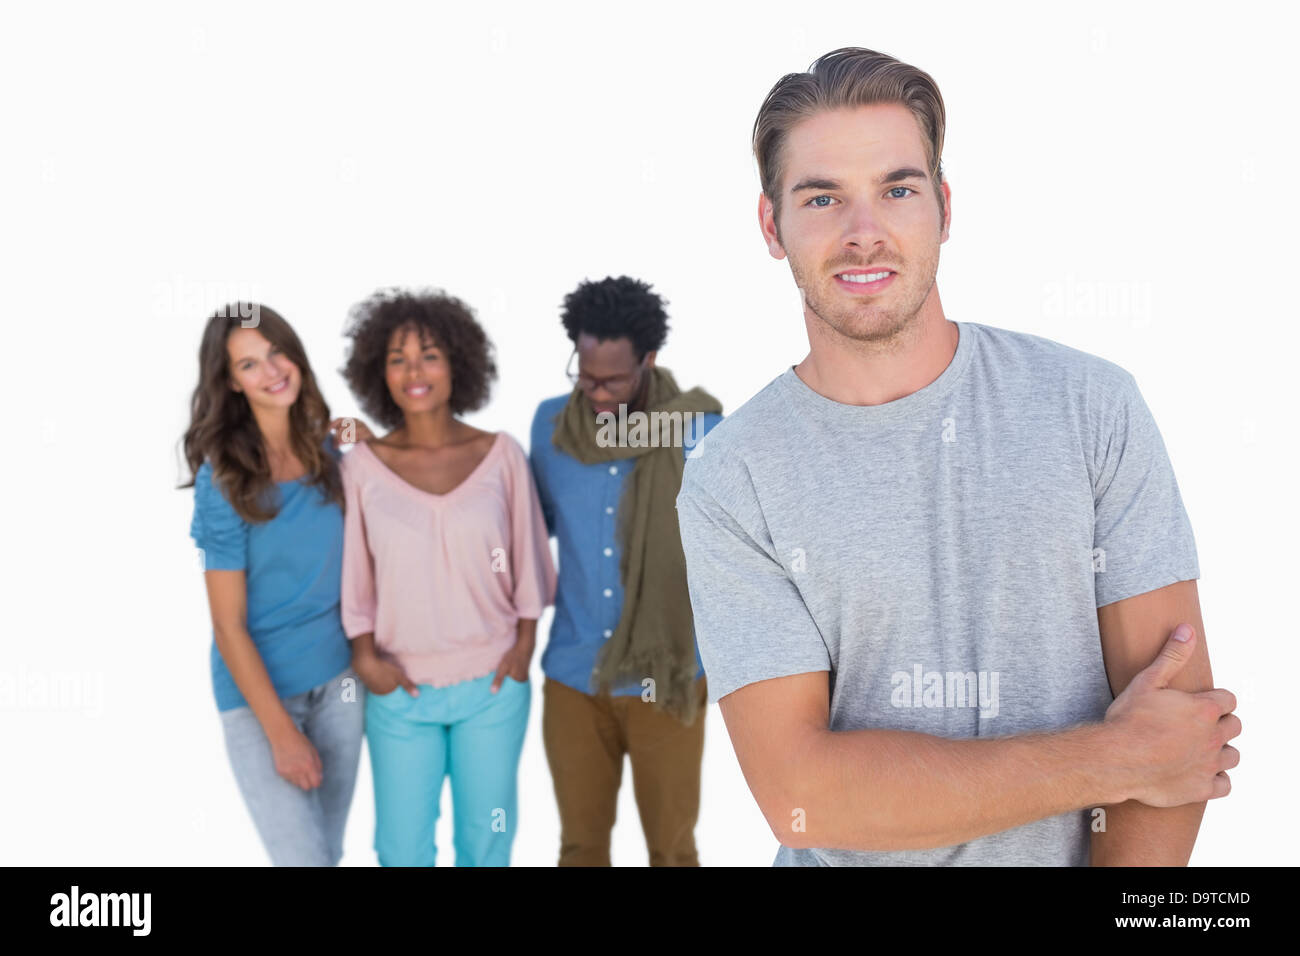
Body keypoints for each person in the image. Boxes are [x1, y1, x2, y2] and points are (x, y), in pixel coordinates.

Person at [674, 47, 1242, 866]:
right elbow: (803, 797)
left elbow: (1179, 733)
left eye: (897, 190)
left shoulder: (1091, 409)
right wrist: (1110, 756)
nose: (863, 233)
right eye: (823, 197)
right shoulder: (734, 479)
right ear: (773, 225)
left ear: (943, 206)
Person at [339, 287, 556, 867]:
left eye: (429, 354)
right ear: (376, 371)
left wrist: (523, 648)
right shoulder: (362, 467)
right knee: (400, 849)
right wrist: (365, 658)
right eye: (397, 358)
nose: (414, 371)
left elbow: (528, 556)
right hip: (399, 690)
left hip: (491, 687)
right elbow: (355, 574)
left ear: (456, 363)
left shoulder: (501, 455)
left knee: (487, 846)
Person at [529, 275, 723, 866]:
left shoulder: (701, 431)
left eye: (612, 379)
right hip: (574, 677)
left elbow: (734, 556)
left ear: (649, 359)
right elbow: (530, 531)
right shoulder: (550, 427)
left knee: (672, 849)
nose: (596, 392)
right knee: (580, 848)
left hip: (666, 678)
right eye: (584, 376)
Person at [182, 303, 369, 866]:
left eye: (277, 352)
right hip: (260, 697)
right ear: (231, 384)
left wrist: (373, 439)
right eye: (249, 365)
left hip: (340, 684)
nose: (271, 370)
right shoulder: (225, 478)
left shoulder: (329, 452)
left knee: (325, 854)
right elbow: (227, 624)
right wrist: (280, 733)